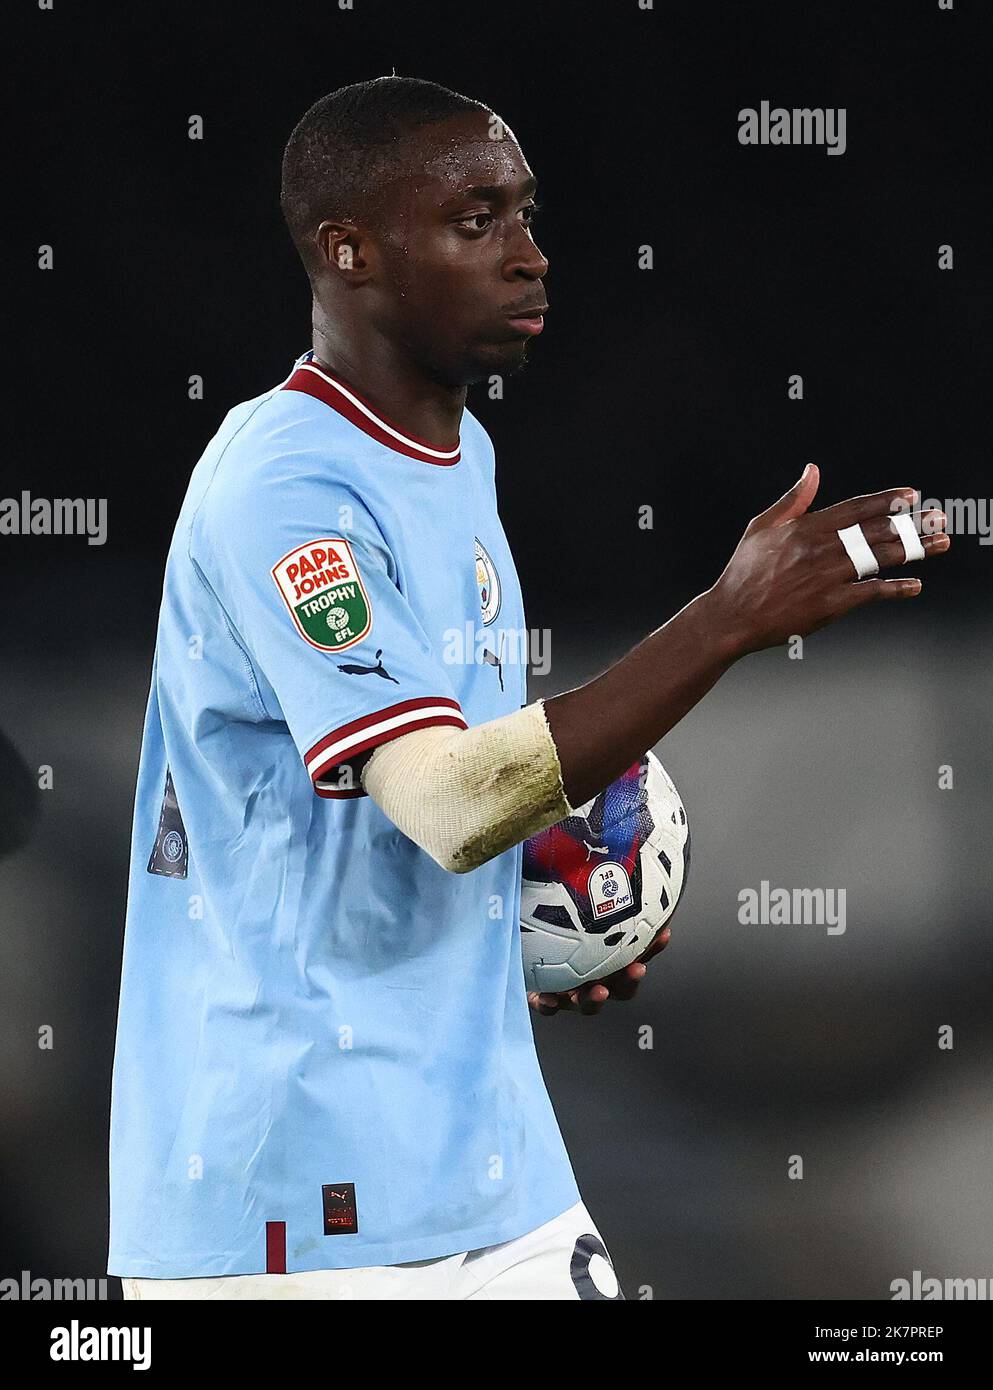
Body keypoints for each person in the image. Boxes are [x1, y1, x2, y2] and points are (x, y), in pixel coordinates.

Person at [109, 76, 949, 1301]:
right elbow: (449, 801)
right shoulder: (286, 492)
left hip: (490, 1169)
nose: (531, 256)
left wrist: (528, 931)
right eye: (478, 221)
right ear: (348, 250)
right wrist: (727, 618)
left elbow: (421, 816)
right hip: (300, 1203)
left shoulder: (457, 453)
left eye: (526, 215)